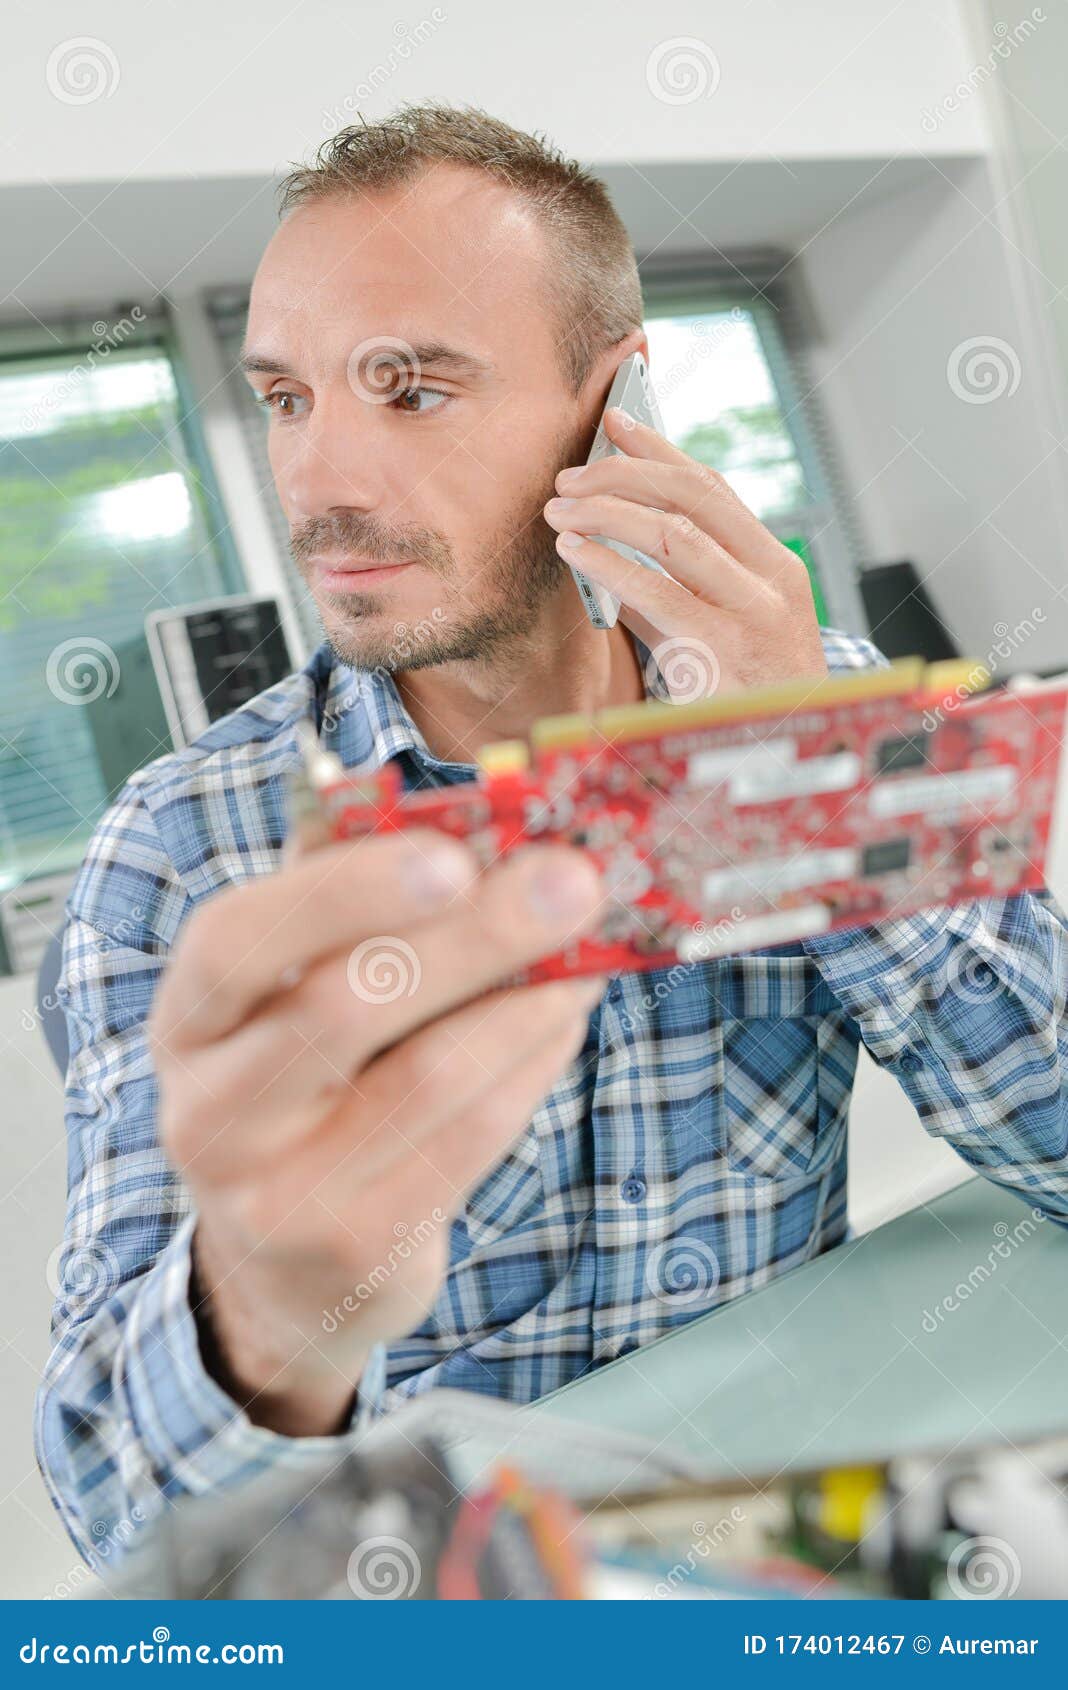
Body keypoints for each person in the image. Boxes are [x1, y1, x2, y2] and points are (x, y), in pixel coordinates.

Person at [36, 103, 1068, 1561]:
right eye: (286, 398)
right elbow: (121, 1517)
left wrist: (816, 788)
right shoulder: (185, 849)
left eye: (411, 390)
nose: (322, 482)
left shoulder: (816, 710)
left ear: (619, 408)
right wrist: (260, 1316)